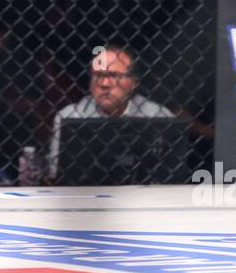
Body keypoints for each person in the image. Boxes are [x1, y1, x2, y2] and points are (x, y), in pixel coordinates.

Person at [49, 45, 174, 181]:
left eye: (114, 75)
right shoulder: (70, 116)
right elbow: (56, 174)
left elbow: (171, 173)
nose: (104, 83)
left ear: (134, 82)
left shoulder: (158, 116)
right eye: (97, 75)